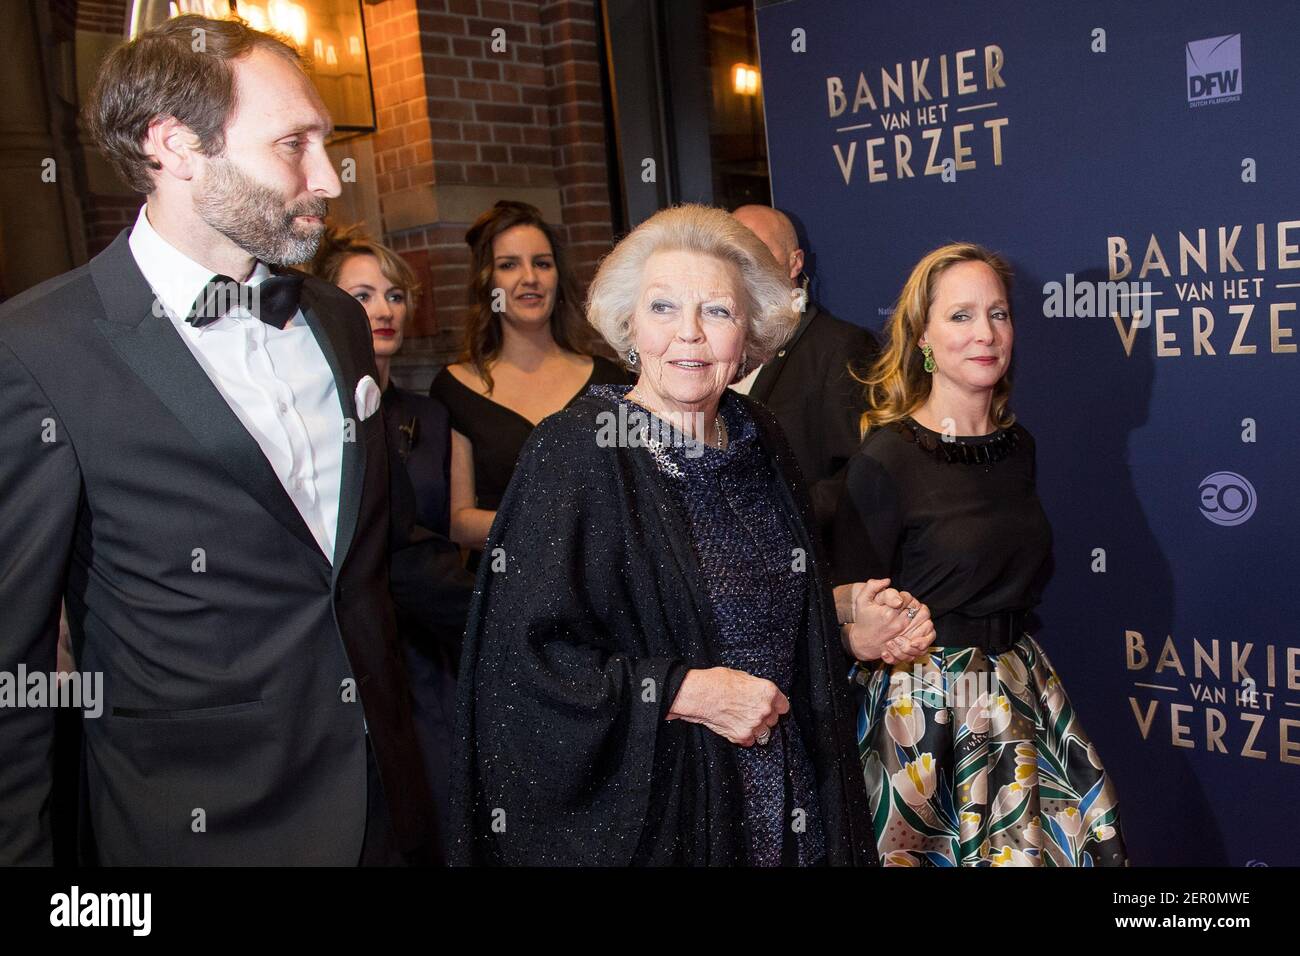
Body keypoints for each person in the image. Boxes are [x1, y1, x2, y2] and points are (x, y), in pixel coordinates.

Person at [0, 15, 445, 865]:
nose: (327, 177)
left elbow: (372, 567)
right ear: (174, 146)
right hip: (197, 829)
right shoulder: (37, 351)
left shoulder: (337, 322)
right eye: (293, 145)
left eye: (326, 142)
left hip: (388, 805)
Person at [450, 204, 935, 866]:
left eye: (717, 312)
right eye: (663, 308)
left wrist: (846, 619)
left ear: (751, 334)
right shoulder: (576, 452)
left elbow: (756, 613)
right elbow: (522, 663)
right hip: (666, 812)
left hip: (785, 796)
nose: (689, 335)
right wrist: (684, 691)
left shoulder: (761, 437)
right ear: (629, 325)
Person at [832, 243, 1127, 867]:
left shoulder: (1017, 445)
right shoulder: (886, 460)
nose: (985, 333)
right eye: (961, 316)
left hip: (1022, 688)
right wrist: (865, 628)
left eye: (998, 314)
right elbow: (844, 606)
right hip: (927, 715)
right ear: (923, 338)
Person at [312, 226, 473, 862]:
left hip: (441, 649)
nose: (382, 309)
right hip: (364, 654)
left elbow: (446, 529)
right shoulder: (316, 417)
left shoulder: (432, 414)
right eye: (361, 295)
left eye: (393, 295)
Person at [429, 200, 630, 570]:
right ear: (487, 280)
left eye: (542, 263)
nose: (530, 278)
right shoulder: (455, 387)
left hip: (602, 584)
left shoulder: (608, 380)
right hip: (507, 587)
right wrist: (557, 525)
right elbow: (458, 522)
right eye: (509, 265)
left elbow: (632, 497)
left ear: (557, 277)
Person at [730, 205, 879, 535]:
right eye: (733, 252)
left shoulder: (839, 346)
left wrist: (778, 522)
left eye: (760, 249)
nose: (746, 264)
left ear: (795, 262)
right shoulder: (712, 353)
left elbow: (861, 472)